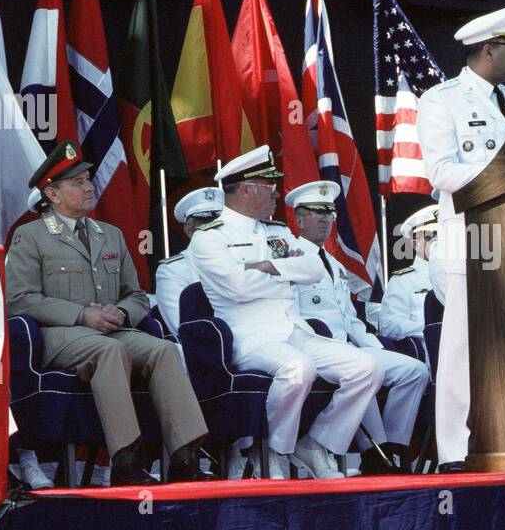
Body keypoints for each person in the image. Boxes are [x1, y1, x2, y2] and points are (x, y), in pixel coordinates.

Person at [6, 140, 209, 486]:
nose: (89, 188)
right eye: (78, 183)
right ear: (52, 195)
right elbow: (19, 299)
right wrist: (82, 315)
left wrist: (123, 312)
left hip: (112, 329)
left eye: (88, 180)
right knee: (109, 351)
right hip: (59, 335)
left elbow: (138, 296)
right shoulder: (31, 236)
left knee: (163, 350)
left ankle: (184, 455)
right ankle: (126, 459)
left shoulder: (110, 234)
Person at [189, 146, 382, 480]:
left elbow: (312, 270)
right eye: (269, 185)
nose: (276, 192)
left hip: (294, 329)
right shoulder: (209, 239)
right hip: (250, 337)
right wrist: (284, 276)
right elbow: (238, 289)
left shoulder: (276, 232)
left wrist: (265, 266)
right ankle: (276, 451)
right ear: (247, 189)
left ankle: (317, 443)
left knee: (367, 367)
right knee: (298, 369)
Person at [417, 4, 505, 473]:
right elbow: (442, 172)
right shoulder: (442, 100)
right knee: (465, 341)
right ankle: (454, 450)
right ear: (489, 50)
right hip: (472, 235)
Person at [287, 181, 430, 475]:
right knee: (363, 368)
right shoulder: (290, 257)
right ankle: (372, 453)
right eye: (317, 212)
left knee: (414, 371)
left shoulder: (336, 265)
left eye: (329, 213)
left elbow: (350, 318)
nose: (325, 219)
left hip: (348, 345)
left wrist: (372, 343)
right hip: (314, 346)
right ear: (299, 220)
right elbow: (289, 312)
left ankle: (393, 447)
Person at [155, 187, 225, 333]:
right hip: (210, 347)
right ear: (189, 230)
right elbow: (184, 328)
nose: (214, 230)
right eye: (205, 225)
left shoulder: (244, 258)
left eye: (220, 224)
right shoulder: (173, 270)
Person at [378, 206, 440, 341]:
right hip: (426, 351)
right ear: (414, 243)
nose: (438, 242)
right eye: (430, 237)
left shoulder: (460, 276)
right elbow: (389, 326)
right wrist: (435, 328)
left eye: (442, 235)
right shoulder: (403, 281)